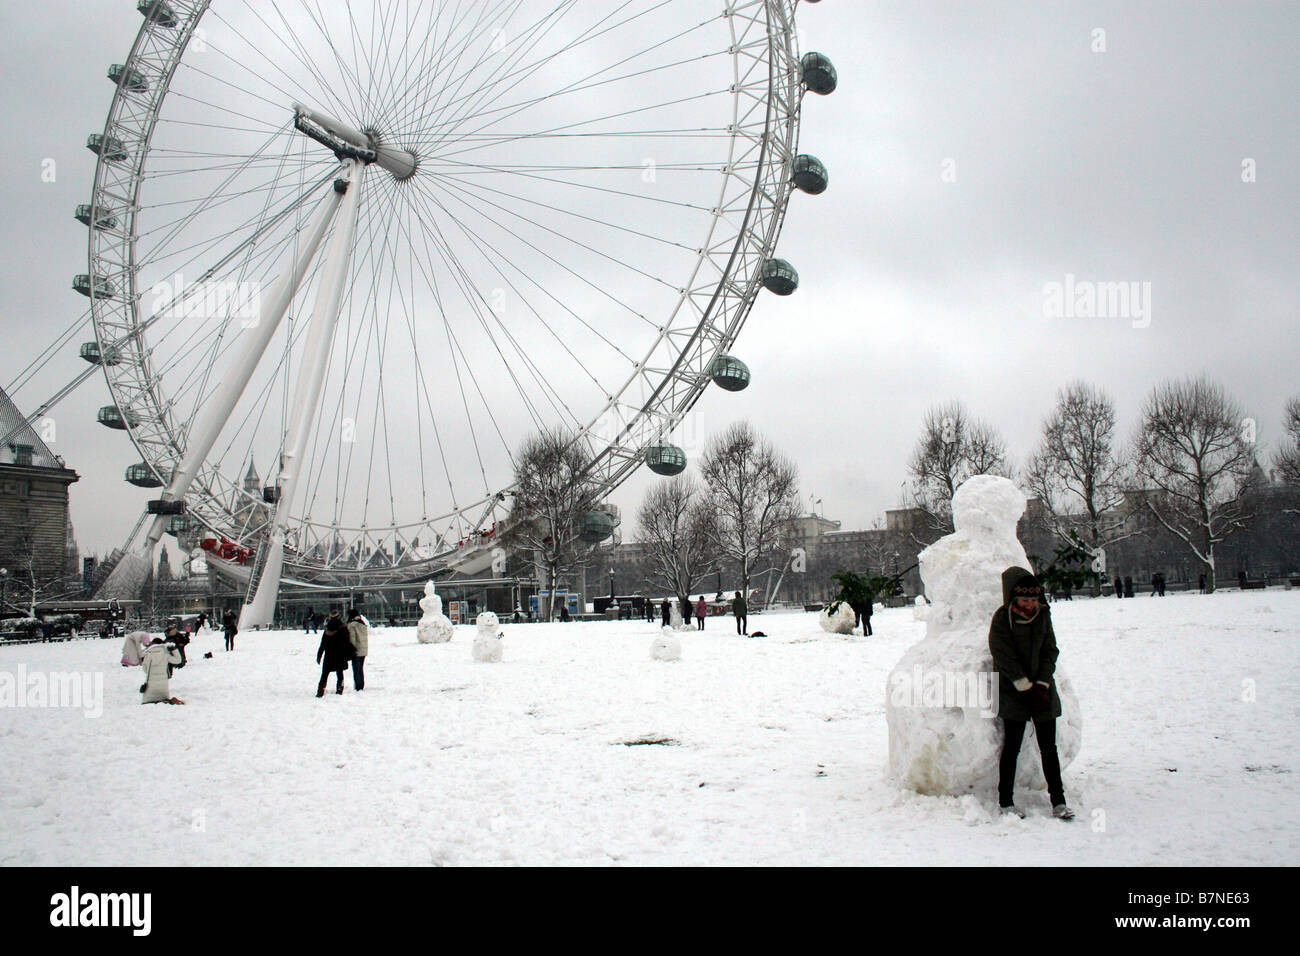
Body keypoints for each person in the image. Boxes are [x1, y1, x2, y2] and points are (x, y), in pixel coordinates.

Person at [987, 567, 1072, 820]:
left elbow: (1050, 650)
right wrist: (1023, 684)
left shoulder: (1043, 616)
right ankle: (1005, 802)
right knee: (1011, 748)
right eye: (1025, 600)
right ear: (1014, 598)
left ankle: (1058, 801)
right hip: (1014, 691)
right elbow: (1002, 653)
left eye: (1034, 600)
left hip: (1042, 691)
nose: (1030, 604)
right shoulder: (1003, 618)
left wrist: (1043, 685)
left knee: (1049, 748)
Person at [316, 611, 354, 697]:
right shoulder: (343, 628)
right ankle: (339, 690)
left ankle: (320, 691)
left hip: (329, 654)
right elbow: (347, 642)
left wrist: (319, 655)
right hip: (340, 654)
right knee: (339, 673)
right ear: (338, 617)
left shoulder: (327, 628)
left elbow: (323, 644)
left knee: (325, 674)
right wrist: (349, 653)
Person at [141, 637, 184, 705]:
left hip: (151, 681)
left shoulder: (148, 655)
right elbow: (178, 660)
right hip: (163, 681)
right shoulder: (165, 655)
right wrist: (174, 650)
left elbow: (145, 669)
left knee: (149, 700)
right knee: (163, 698)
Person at [346, 608, 368, 691]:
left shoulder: (352, 625)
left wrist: (351, 649)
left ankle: (358, 687)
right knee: (360, 669)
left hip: (356, 650)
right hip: (363, 650)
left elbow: (352, 639)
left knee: (356, 669)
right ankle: (361, 685)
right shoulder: (362, 623)